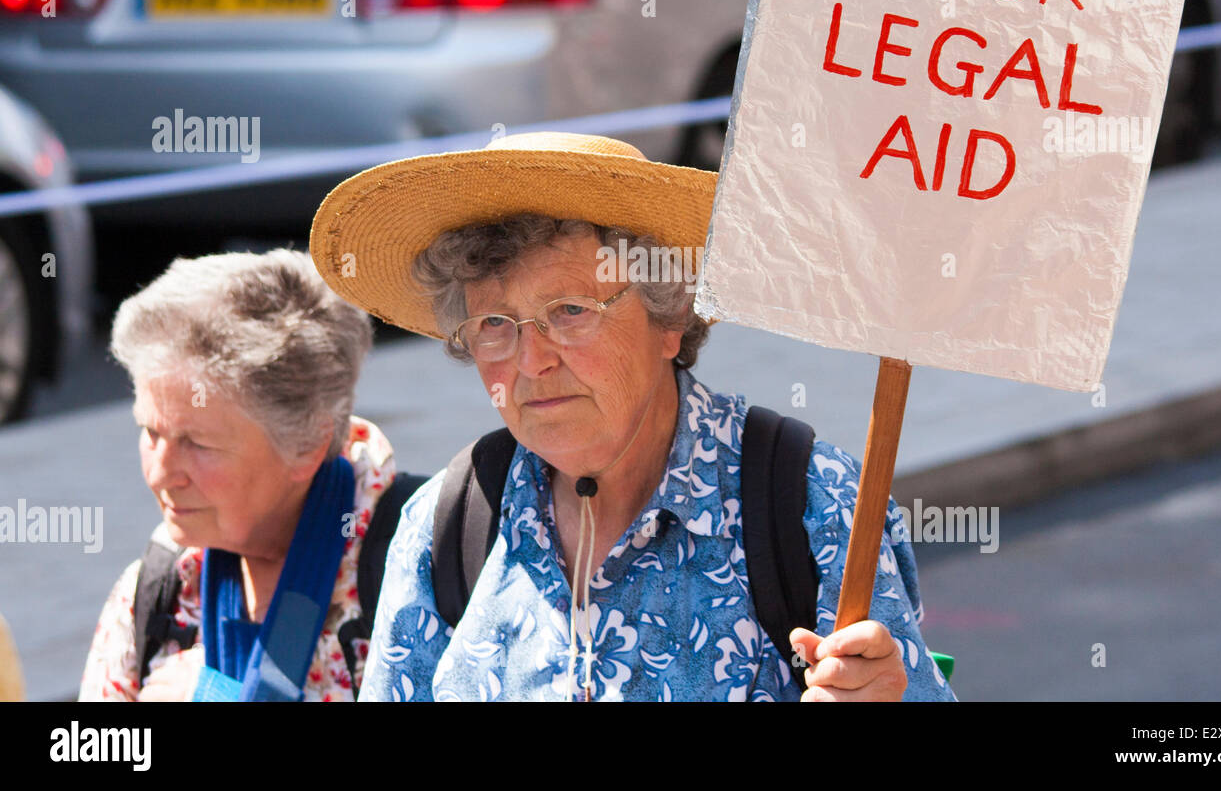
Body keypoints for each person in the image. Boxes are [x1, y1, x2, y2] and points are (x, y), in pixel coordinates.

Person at [310, 131, 957, 701]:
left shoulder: (808, 498)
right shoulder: (447, 523)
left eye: (570, 311)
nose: (532, 360)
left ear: (669, 318)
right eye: (494, 323)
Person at [80, 249, 397, 702]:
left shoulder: (410, 572)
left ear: (306, 443)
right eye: (150, 431)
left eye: (197, 444)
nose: (161, 474)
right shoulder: (158, 589)